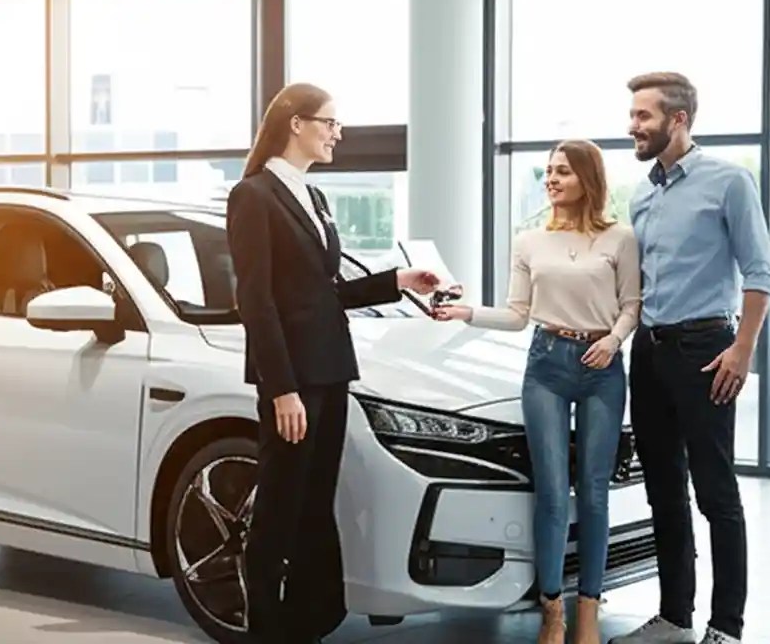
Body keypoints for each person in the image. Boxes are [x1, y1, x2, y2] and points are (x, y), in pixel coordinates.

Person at [226, 82, 441, 644]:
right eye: (330, 123)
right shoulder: (253, 195)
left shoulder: (312, 196)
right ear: (296, 123)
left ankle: (307, 624)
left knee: (315, 502)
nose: (337, 134)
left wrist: (397, 281)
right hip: (295, 380)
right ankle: (266, 631)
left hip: (330, 369)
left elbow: (324, 292)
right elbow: (256, 300)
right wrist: (281, 388)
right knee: (279, 508)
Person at [434, 139, 641, 644]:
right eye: (549, 171)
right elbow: (517, 315)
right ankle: (552, 610)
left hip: (602, 367)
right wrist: (466, 313)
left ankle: (588, 611)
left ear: (587, 179)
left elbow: (632, 304)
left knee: (593, 492)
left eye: (563, 171)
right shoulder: (529, 241)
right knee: (550, 492)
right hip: (547, 364)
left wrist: (613, 341)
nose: (551, 179)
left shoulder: (620, 238)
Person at [609, 72, 770, 644]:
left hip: (706, 351)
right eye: (632, 115)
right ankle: (675, 617)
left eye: (643, 116)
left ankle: (726, 626)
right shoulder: (642, 194)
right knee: (662, 491)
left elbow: (760, 274)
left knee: (715, 492)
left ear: (678, 119)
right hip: (649, 352)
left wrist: (742, 350)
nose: (633, 126)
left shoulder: (728, 181)